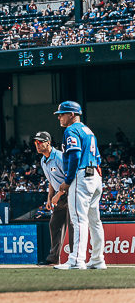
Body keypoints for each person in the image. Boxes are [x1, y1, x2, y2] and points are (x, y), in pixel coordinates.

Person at [53, 101, 106, 270]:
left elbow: (75, 156)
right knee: (94, 221)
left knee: (79, 220)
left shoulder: (71, 130)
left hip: (82, 175)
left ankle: (76, 260)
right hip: (95, 176)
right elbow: (97, 158)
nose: (60, 117)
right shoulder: (88, 131)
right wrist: (96, 177)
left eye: (62, 113)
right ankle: (98, 260)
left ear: (72, 115)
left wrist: (68, 181)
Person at [33, 130, 73, 265]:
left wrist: (58, 195)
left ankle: (74, 258)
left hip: (71, 192)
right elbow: (51, 180)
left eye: (40, 142)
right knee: (54, 224)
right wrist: (50, 197)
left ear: (48, 143)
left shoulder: (60, 157)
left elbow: (70, 178)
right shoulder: (43, 160)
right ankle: (54, 258)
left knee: (72, 226)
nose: (37, 145)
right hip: (58, 195)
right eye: (35, 142)